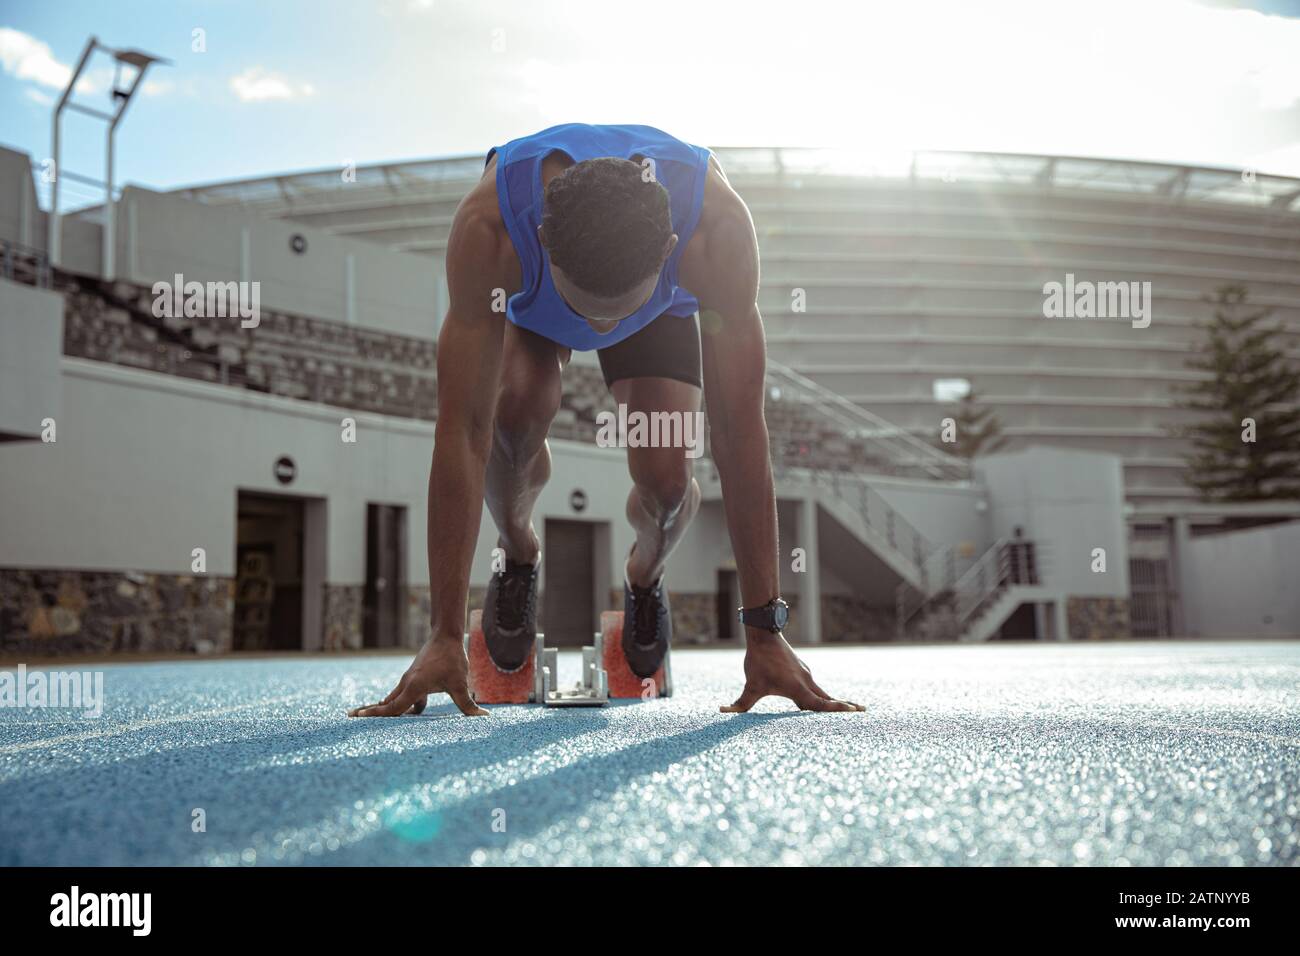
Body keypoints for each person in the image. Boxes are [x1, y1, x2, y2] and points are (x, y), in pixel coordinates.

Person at [350, 124, 862, 718]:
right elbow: (462, 433)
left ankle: (644, 576)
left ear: (670, 248)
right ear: (543, 240)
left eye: (611, 315)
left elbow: (740, 430)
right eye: (586, 310)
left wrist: (766, 631)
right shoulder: (490, 230)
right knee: (511, 416)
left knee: (668, 483)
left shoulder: (715, 231)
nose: (598, 331)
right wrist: (442, 635)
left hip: (659, 314)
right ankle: (518, 554)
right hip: (535, 312)